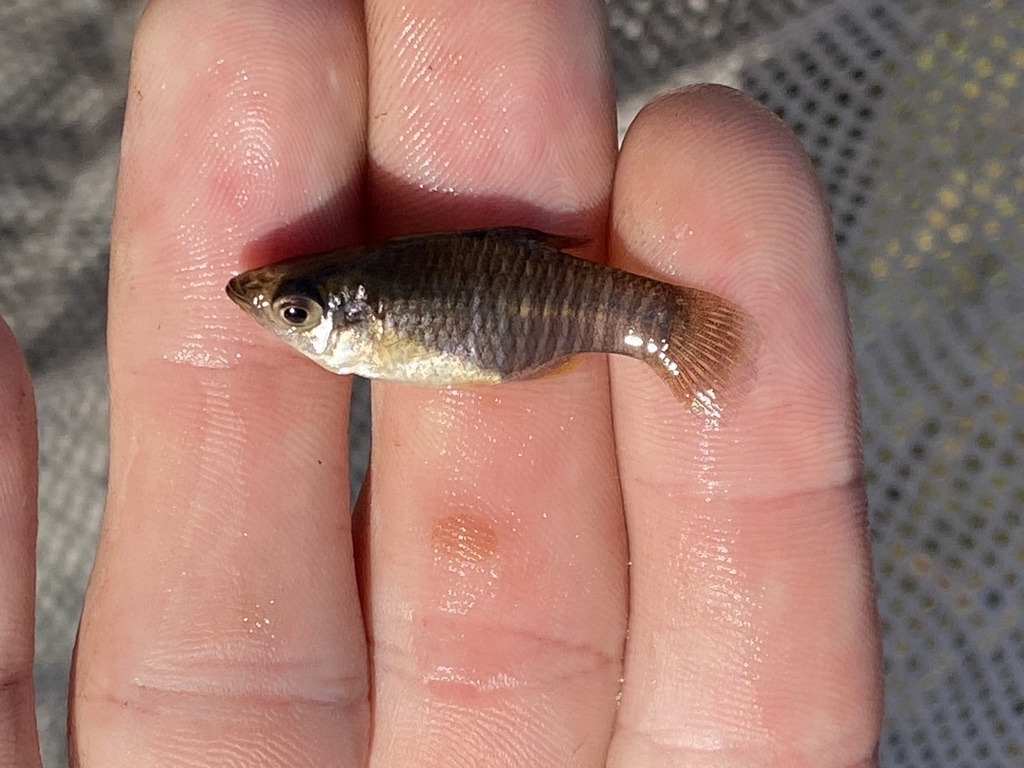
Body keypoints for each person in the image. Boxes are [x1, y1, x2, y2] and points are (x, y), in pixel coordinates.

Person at [0, 1, 882, 765]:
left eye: (297, 311)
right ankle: (650, 327)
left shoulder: (378, 313)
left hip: (513, 325)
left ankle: (656, 330)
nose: (280, 318)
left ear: (347, 314)